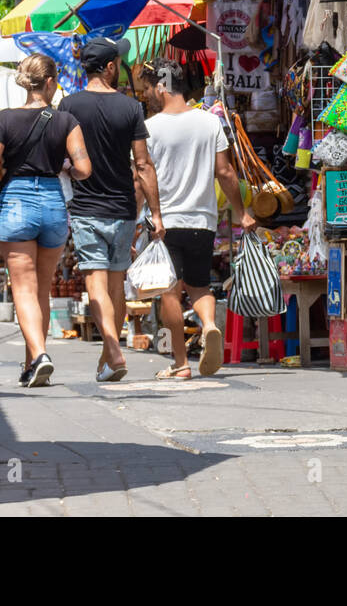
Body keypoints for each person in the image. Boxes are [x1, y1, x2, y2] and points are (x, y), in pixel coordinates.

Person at [0, 54, 92, 387]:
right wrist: (62, 166)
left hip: (16, 203)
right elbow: (84, 169)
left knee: (22, 288)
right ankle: (33, 362)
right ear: (50, 82)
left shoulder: (4, 120)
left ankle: (38, 356)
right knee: (41, 289)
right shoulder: (66, 121)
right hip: (53, 203)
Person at [138, 59, 252, 378]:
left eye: (150, 88)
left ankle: (180, 364)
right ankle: (210, 325)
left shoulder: (149, 128)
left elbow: (142, 177)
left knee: (170, 292)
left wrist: (137, 219)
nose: (148, 94)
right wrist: (241, 213)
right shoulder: (209, 122)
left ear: (161, 87)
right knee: (200, 286)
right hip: (203, 221)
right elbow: (226, 172)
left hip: (165, 224)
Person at [59, 36, 163, 383]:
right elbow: (144, 165)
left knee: (96, 284)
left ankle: (112, 351)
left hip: (86, 207)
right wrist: (156, 213)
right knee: (116, 283)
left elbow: (61, 156)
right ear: (108, 67)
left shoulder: (69, 106)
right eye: (117, 63)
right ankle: (109, 354)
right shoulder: (131, 108)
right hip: (122, 208)